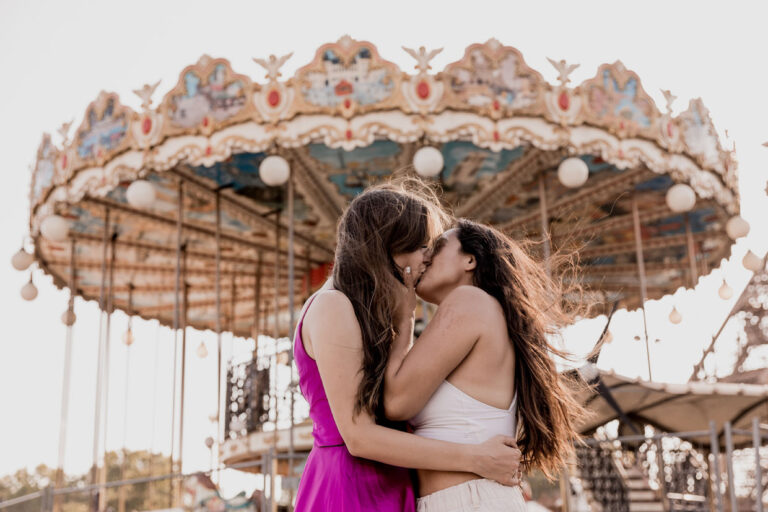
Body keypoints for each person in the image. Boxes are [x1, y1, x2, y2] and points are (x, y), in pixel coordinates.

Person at [293, 183, 522, 511]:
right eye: (423, 246)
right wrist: (476, 457)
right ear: (392, 246)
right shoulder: (333, 305)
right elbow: (359, 435)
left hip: (392, 482)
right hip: (353, 483)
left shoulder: (366, 313)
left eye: (435, 247)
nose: (427, 257)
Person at [384, 219, 585, 511]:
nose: (425, 256)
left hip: (467, 500)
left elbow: (396, 403)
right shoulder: (484, 312)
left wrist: (403, 320)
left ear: (470, 259)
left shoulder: (469, 301)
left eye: (438, 247)